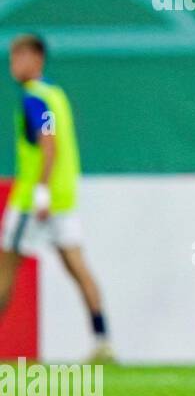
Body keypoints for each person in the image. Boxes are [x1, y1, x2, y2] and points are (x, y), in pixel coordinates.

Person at [0, 35, 111, 363]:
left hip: (33, 201)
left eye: (16, 58)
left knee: (6, 270)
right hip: (64, 200)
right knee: (79, 268)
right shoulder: (56, 96)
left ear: (35, 59)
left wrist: (41, 191)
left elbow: (49, 143)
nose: (12, 66)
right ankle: (103, 340)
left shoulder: (34, 99)